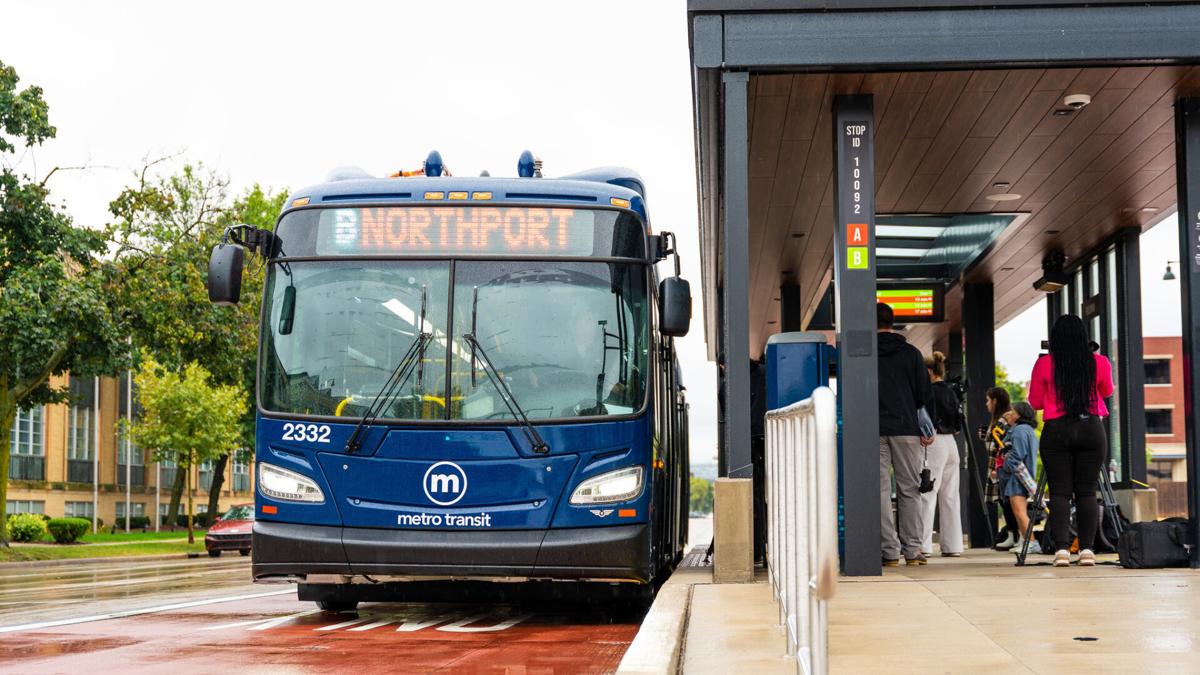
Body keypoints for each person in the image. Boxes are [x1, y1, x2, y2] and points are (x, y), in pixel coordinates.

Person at [1029, 314, 1114, 567]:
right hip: (1091, 427)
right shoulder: (1099, 362)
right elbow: (1107, 391)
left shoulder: (1044, 364)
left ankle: (1062, 551)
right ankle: (1087, 550)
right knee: (1087, 491)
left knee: (1059, 492)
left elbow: (1034, 402)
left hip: (1057, 430)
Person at [876, 303, 935, 566]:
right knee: (909, 490)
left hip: (873, 430)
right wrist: (926, 426)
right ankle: (913, 550)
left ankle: (888, 551)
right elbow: (924, 394)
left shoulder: (863, 353)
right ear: (893, 321)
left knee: (879, 489)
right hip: (906, 430)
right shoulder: (911, 354)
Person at [919, 352, 964, 557]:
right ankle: (953, 545)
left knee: (927, 493)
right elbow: (958, 425)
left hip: (934, 441)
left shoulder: (927, 392)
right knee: (950, 496)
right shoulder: (951, 390)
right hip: (952, 444)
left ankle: (923, 545)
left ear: (929, 371)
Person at [999, 401, 1041, 555]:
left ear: (1019, 415)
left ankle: (1031, 542)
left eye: (1012, 412)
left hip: (1017, 476)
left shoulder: (1019, 430)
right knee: (1019, 510)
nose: (1009, 414)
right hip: (1021, 476)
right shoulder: (1027, 430)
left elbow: (1018, 454)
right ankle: (1026, 540)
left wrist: (1005, 466)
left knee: (1019, 511)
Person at [980, 387, 1019, 550]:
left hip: (1000, 465)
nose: (987, 404)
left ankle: (1015, 535)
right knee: (1005, 501)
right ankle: (1013, 535)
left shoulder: (1004, 418)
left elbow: (1001, 443)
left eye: (988, 400)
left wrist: (998, 466)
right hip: (998, 465)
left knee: (1008, 501)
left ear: (995, 401)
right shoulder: (1001, 417)